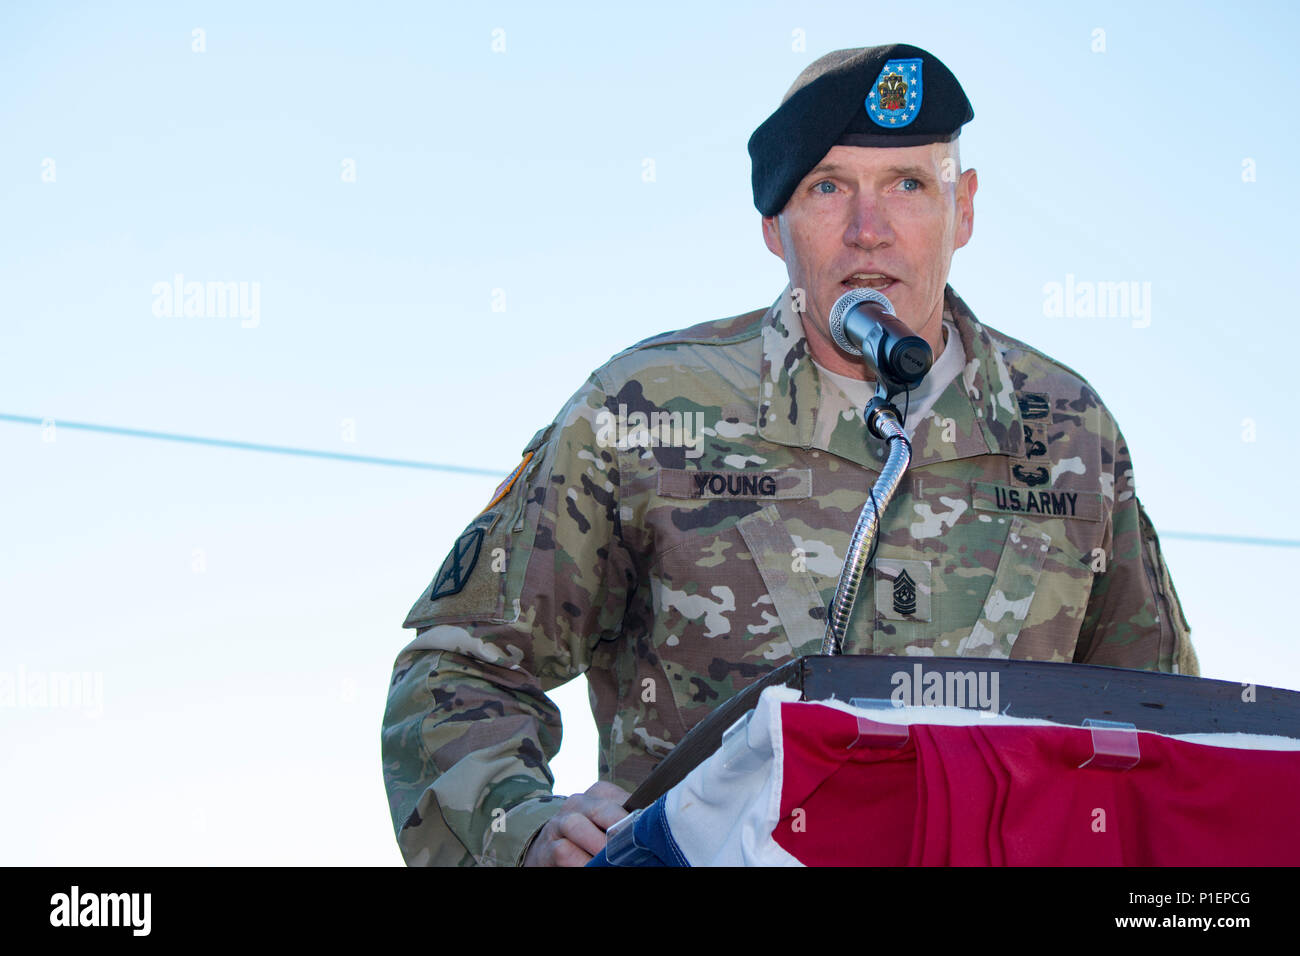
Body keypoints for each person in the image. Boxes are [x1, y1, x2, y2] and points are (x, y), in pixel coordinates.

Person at [381, 43, 1198, 868]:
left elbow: (1175, 727)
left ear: (966, 209)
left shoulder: (1067, 427)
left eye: (909, 185)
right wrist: (521, 830)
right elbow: (457, 669)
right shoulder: (647, 409)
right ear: (775, 227)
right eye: (827, 188)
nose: (868, 230)